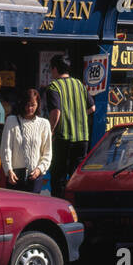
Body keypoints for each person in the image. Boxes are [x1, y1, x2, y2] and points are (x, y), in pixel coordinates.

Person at [48, 56, 96, 196]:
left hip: (64, 138)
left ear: (55, 69)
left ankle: (60, 208)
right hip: (82, 137)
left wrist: (50, 131)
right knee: (76, 176)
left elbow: (56, 111)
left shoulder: (54, 86)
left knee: (59, 177)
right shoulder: (79, 84)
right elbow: (92, 108)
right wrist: (78, 114)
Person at [1, 87, 51, 193]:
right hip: (14, 177)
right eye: (27, 104)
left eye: (33, 105)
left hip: (35, 179)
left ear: (38, 105)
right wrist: (8, 170)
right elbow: (6, 149)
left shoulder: (44, 124)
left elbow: (47, 153)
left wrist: (39, 170)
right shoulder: (11, 121)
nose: (29, 108)